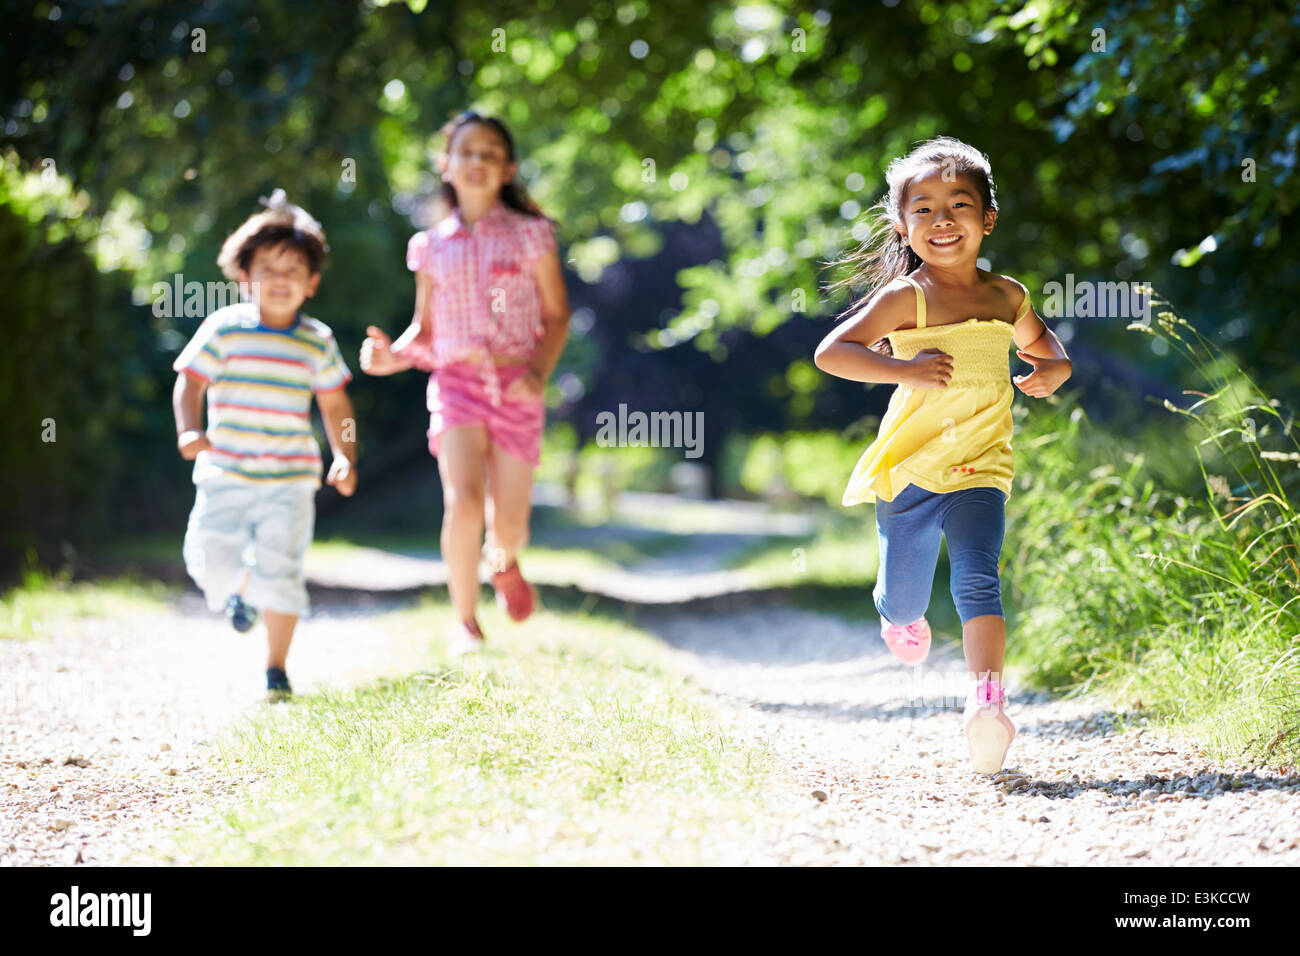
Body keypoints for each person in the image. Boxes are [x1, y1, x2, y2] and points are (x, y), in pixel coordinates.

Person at [814, 136, 1073, 773]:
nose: (942, 221)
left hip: (982, 468)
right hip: (911, 468)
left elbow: (1048, 351)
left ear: (987, 218)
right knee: (906, 601)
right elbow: (832, 353)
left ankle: (986, 704)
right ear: (903, 225)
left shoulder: (1006, 296)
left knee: (977, 576)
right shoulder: (908, 298)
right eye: (923, 209)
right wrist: (903, 371)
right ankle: (896, 615)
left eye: (958, 205)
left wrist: (1053, 372)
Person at [360, 111, 570, 655]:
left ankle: (504, 563)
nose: (477, 161)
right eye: (466, 152)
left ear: (508, 169)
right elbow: (424, 331)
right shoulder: (430, 247)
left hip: (517, 384)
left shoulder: (531, 235)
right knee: (465, 502)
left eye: (490, 154)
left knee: (509, 526)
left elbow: (557, 317)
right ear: (445, 165)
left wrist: (537, 374)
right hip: (455, 386)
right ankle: (466, 624)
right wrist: (392, 358)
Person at [172, 189, 358, 701]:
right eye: (268, 268)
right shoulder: (223, 329)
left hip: (291, 479)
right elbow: (189, 383)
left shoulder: (316, 341)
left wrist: (344, 455)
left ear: (312, 283)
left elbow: (336, 407)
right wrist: (190, 430)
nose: (280, 280)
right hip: (225, 471)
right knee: (208, 560)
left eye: (293, 269)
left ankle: (276, 669)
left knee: (282, 570)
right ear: (244, 276)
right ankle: (236, 593)